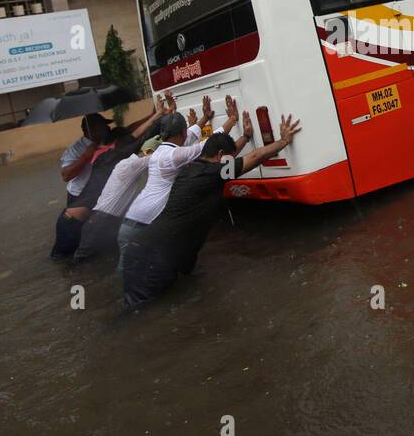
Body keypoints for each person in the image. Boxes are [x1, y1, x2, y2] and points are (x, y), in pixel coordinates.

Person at [121, 112, 302, 308]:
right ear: (219, 156)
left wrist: (246, 137)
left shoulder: (191, 169)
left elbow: (230, 160)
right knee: (146, 312)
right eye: (228, 158)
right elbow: (255, 157)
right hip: (154, 257)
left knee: (141, 310)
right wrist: (283, 141)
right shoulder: (213, 173)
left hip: (143, 249)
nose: (230, 163)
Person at [116, 94, 236, 258]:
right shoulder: (173, 156)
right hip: (145, 226)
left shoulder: (161, 151)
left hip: (129, 222)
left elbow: (192, 134)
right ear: (182, 133)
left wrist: (205, 118)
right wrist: (233, 119)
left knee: (128, 273)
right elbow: (210, 143)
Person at [51, 97, 169, 260]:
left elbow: (132, 132)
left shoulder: (106, 150)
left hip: (89, 205)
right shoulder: (95, 154)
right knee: (64, 261)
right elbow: (65, 175)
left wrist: (154, 115)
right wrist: (86, 156)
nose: (107, 128)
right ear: (91, 129)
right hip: (75, 207)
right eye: (103, 125)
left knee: (85, 256)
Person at [69, 134, 163, 265]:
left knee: (96, 264)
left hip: (100, 221)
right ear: (148, 151)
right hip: (100, 222)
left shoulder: (126, 163)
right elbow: (165, 157)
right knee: (83, 264)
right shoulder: (133, 164)